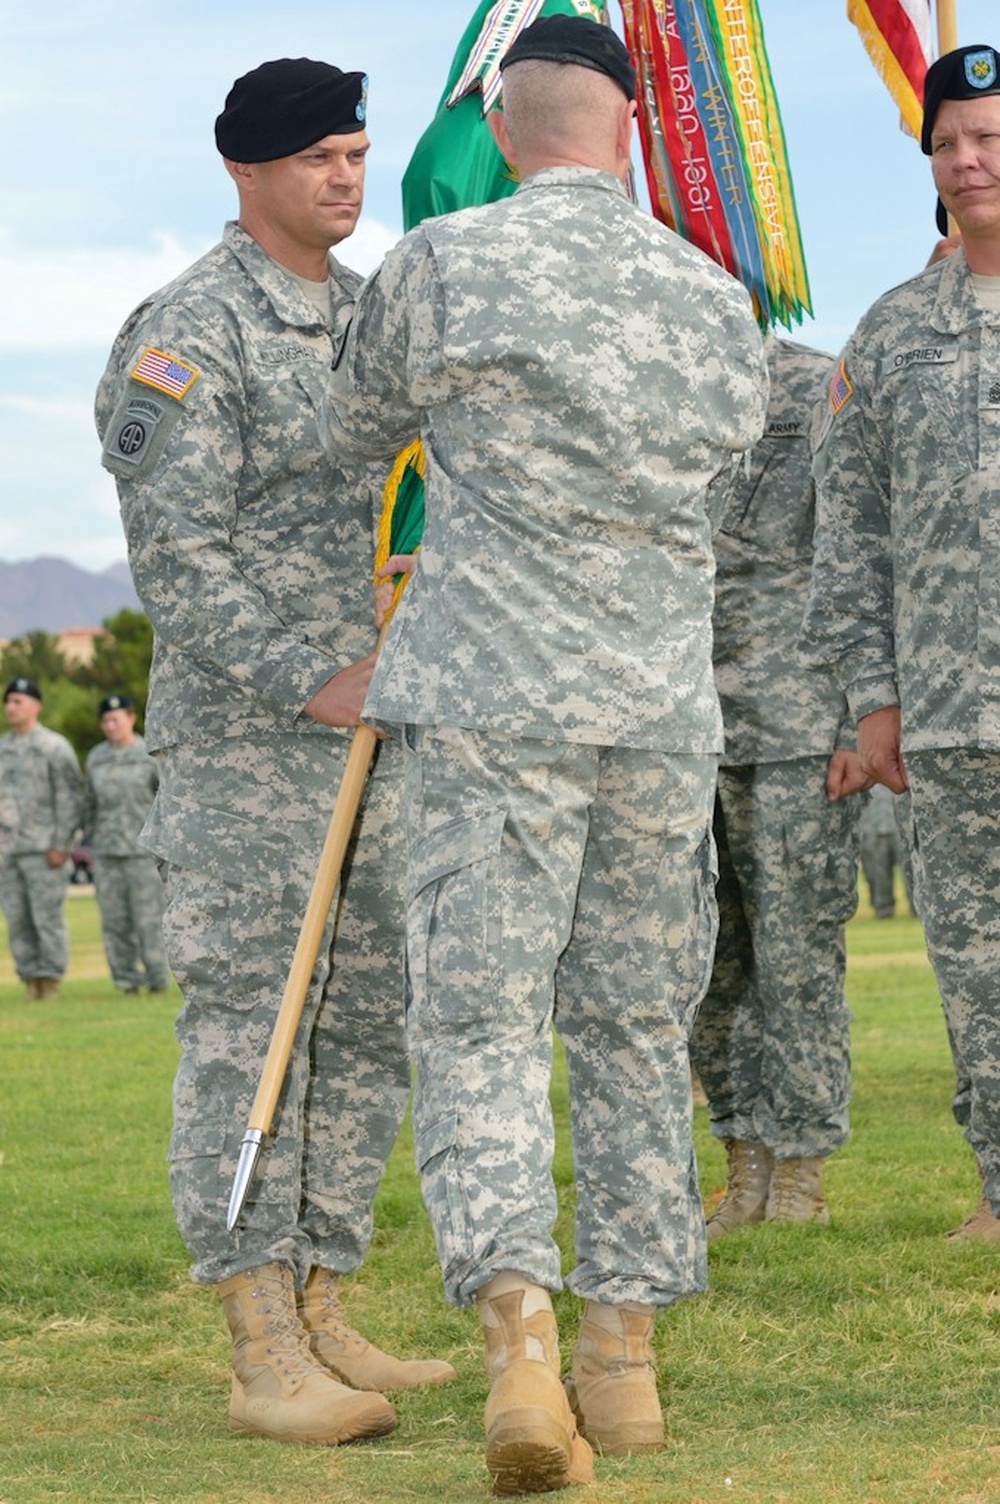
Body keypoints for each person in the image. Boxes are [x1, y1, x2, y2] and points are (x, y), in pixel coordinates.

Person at [327, 15, 768, 1493]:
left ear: (504, 130)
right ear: (626, 128)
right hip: (655, 710)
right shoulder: (710, 294)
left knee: (483, 1025)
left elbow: (357, 419)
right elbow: (732, 473)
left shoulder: (445, 262)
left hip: (494, 704)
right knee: (636, 1026)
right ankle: (622, 1363)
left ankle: (521, 1345)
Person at [94, 58, 455, 1447]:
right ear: (246, 171)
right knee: (255, 1030)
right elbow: (177, 558)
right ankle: (258, 1340)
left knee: (360, 1026)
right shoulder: (191, 331)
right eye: (319, 159)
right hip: (254, 748)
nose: (347, 179)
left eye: (357, 153)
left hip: (383, 738)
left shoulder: (374, 320)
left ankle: (322, 1299)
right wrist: (312, 677)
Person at [804, 43, 1000, 1244]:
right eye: (950, 143)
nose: (969, 160)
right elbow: (848, 529)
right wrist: (870, 698)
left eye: (988, 137)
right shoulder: (888, 336)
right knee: (976, 964)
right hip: (948, 710)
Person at [689, 338, 864, 1240]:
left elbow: (864, 550)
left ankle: (801, 1168)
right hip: (676, 722)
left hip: (798, 721)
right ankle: (744, 1160)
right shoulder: (645, 367)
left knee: (797, 958)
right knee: (705, 963)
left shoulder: (815, 383)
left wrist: (857, 719)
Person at [0, 678, 82, 1000]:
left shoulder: (53, 747)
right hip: (9, 852)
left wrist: (62, 845)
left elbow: (70, 799)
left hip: (45, 850)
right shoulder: (3, 748)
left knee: (46, 918)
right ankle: (30, 979)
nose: (11, 707)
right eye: (8, 702)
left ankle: (50, 981)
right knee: (17, 919)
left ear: (36, 706)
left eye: (18, 701)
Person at [82, 693, 169, 995]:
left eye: (116, 719)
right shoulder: (96, 758)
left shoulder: (149, 754)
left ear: (131, 718)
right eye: (105, 721)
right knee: (114, 921)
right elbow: (89, 805)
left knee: (148, 921)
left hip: (142, 854)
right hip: (106, 853)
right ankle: (125, 982)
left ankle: (157, 980)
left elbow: (164, 801)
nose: (111, 725)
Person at [858, 782, 913, 919]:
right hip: (872, 829)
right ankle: (883, 909)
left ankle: (917, 907)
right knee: (877, 873)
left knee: (910, 869)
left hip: (901, 830)